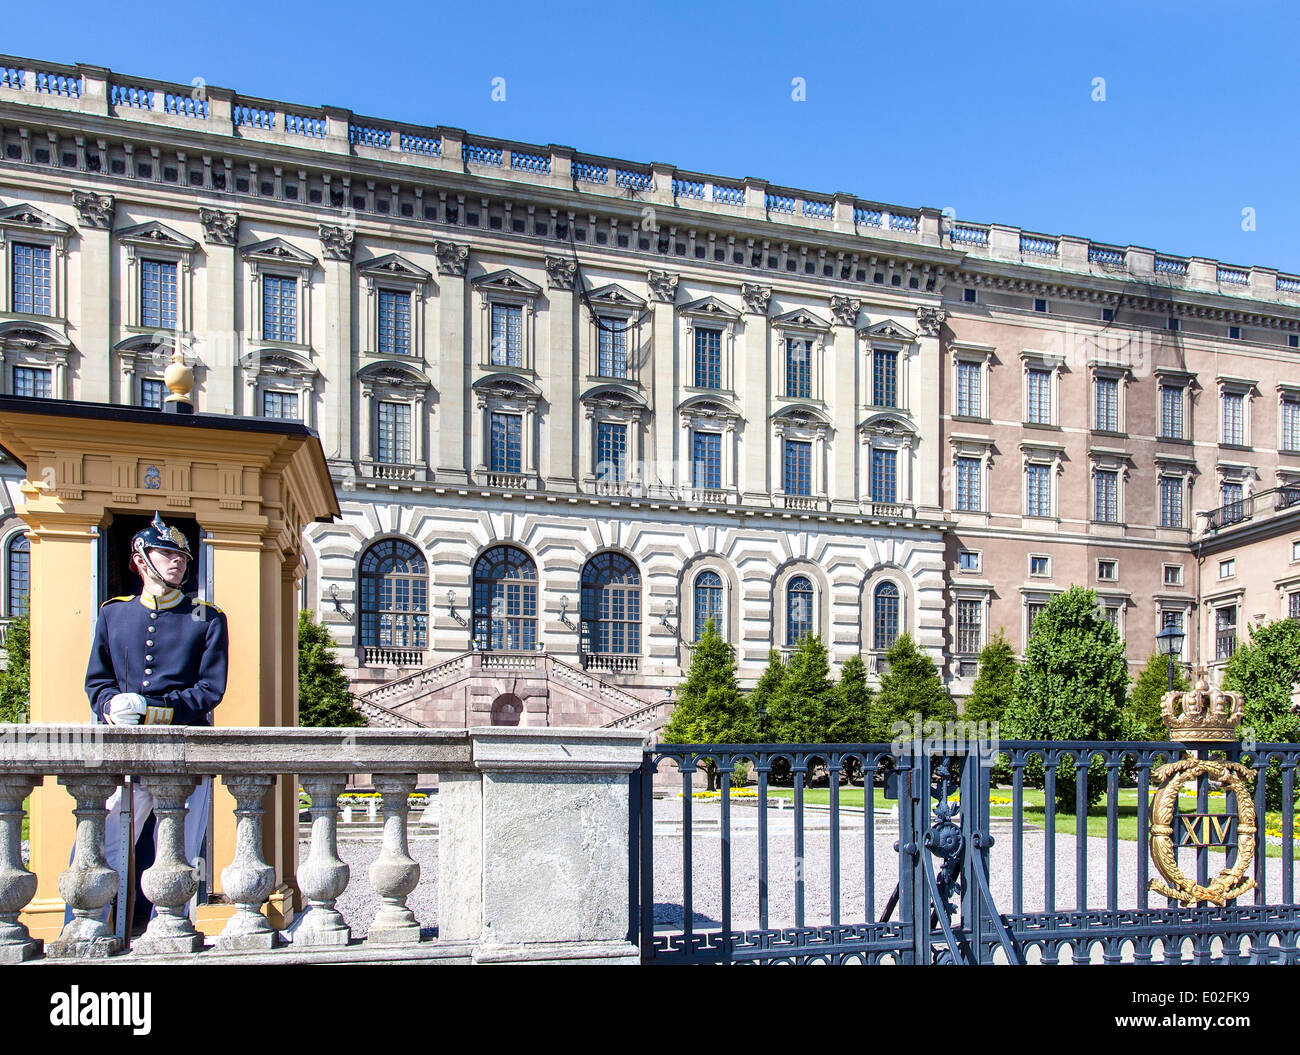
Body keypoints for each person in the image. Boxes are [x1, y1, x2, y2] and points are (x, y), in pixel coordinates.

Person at [82, 512, 228, 928]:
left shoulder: (207, 619)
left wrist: (149, 709)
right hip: (125, 749)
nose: (178, 561)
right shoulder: (113, 615)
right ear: (141, 560)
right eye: (167, 553)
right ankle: (90, 925)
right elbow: (97, 681)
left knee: (178, 851)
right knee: (103, 844)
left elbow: (208, 691)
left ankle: (171, 931)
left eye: (182, 555)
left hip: (183, 749)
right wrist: (111, 705)